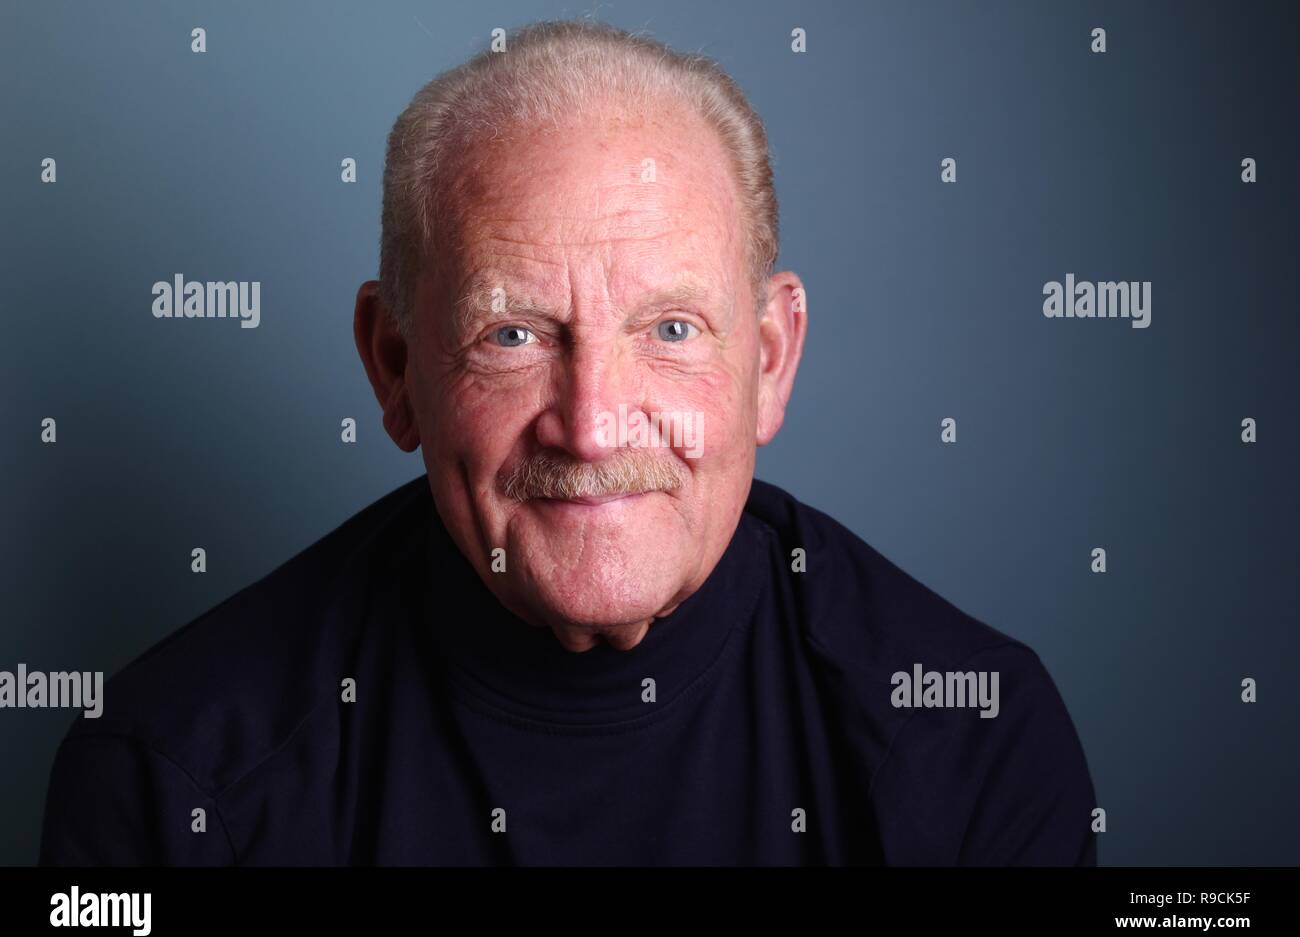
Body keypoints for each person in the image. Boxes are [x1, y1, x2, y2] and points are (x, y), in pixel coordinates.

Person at [39, 18, 1096, 865]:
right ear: (396, 369)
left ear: (770, 358)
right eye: (512, 334)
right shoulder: (168, 780)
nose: (591, 426)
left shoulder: (970, 741)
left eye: (670, 330)